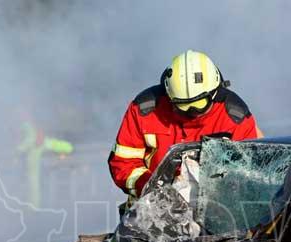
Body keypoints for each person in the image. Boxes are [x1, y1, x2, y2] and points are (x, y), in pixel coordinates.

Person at [109, 49, 262, 199]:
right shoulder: (145, 110)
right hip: (151, 211)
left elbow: (249, 174)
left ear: (215, 92)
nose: (192, 112)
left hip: (216, 214)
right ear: (169, 96)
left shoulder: (235, 117)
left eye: (199, 104)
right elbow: (122, 163)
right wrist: (153, 189)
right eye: (183, 106)